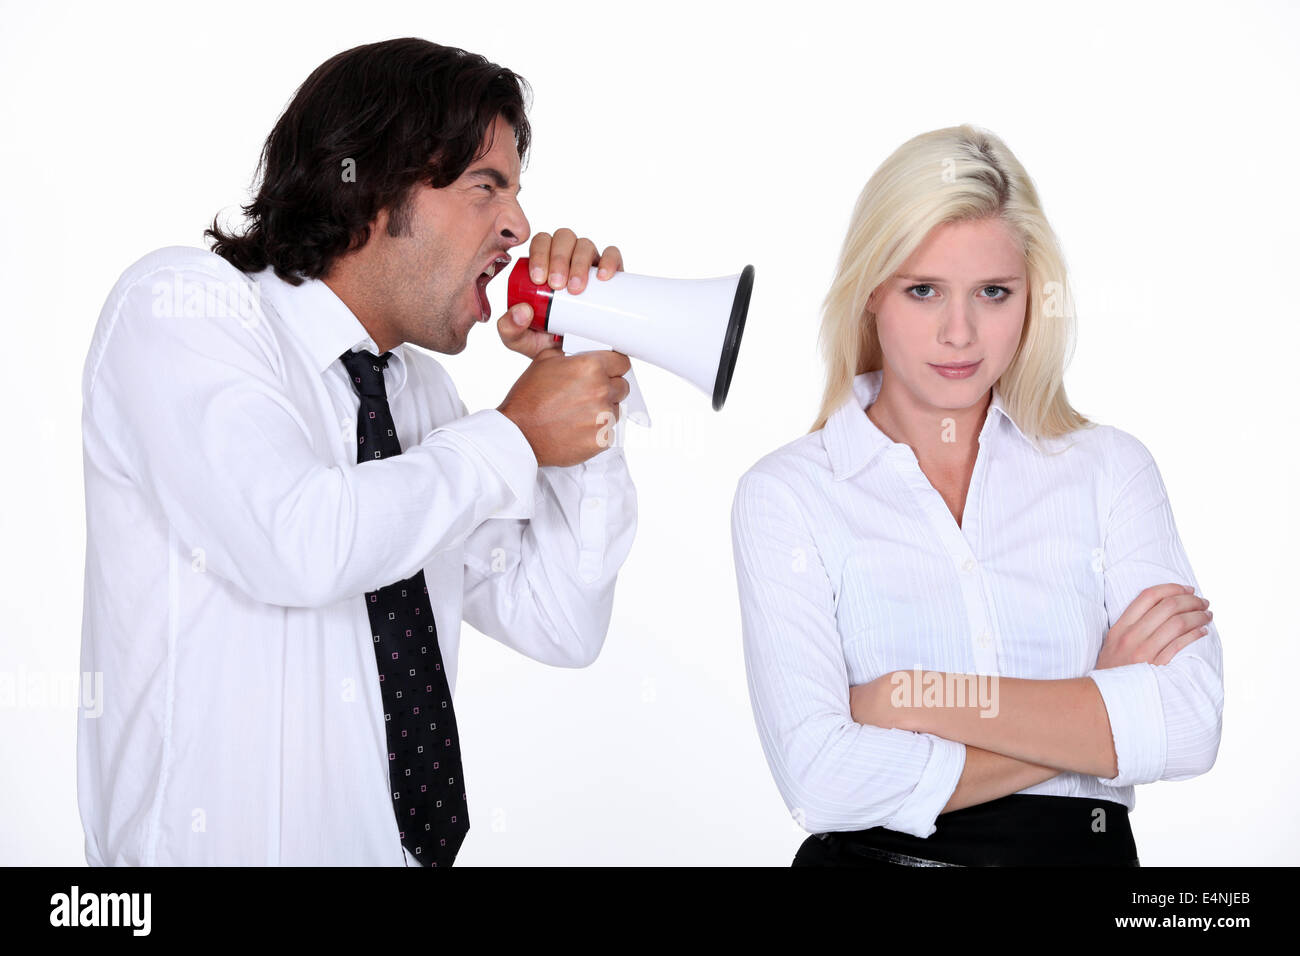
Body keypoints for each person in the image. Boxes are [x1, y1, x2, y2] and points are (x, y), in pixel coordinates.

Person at [78, 38, 639, 866]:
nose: (519, 226)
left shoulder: (421, 401)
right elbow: (297, 543)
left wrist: (574, 370)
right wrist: (512, 435)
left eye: (516, 194)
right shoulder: (183, 310)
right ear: (373, 188)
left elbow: (560, 621)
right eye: (487, 187)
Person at [730, 124, 1223, 866]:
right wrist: (1095, 701)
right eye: (923, 290)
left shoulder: (1109, 470)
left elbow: (1190, 724)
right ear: (870, 291)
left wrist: (913, 697)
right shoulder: (790, 495)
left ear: (1033, 297)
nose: (959, 333)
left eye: (993, 293)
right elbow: (822, 781)